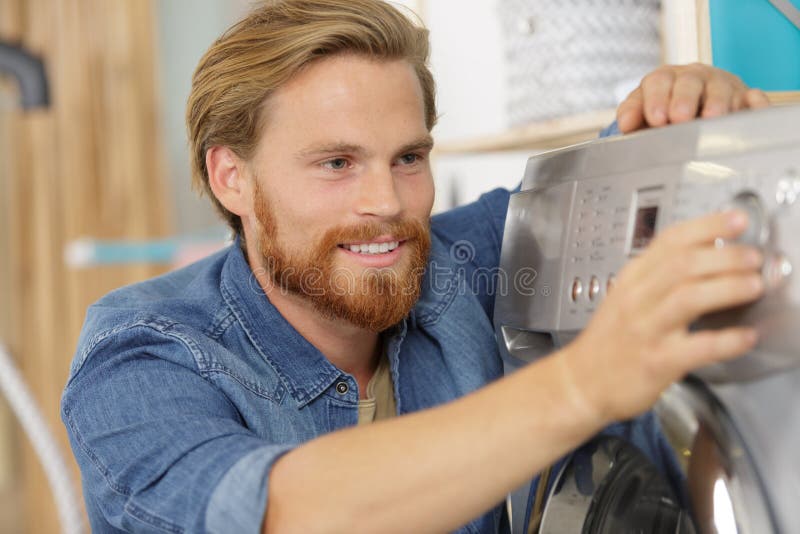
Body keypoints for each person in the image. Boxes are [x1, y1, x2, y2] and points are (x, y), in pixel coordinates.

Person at [61, 1, 771, 532]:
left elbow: (595, 196)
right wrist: (584, 385)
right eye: (337, 163)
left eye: (408, 158)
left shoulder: (455, 264)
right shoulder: (141, 357)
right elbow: (279, 511)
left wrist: (681, 107)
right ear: (231, 179)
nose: (388, 203)